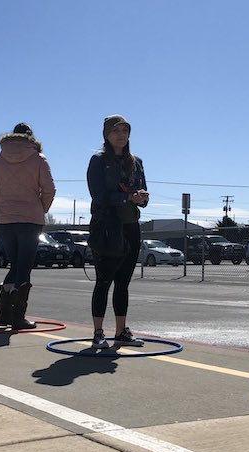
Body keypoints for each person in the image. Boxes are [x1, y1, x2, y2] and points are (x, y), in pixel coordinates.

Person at [0, 123, 55, 329]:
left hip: (5, 220)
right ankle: (17, 316)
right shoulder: (38, 159)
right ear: (31, 138)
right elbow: (49, 189)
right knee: (23, 267)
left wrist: (3, 203)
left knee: (15, 264)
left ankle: (4, 314)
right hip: (30, 220)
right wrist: (39, 208)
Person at [86, 115, 149, 349]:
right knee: (104, 281)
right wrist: (125, 197)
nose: (121, 135)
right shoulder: (99, 160)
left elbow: (141, 191)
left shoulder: (136, 161)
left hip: (130, 226)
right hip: (107, 228)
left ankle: (121, 331)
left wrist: (141, 198)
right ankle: (97, 332)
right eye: (116, 131)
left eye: (125, 130)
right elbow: (99, 196)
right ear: (106, 135)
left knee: (123, 283)